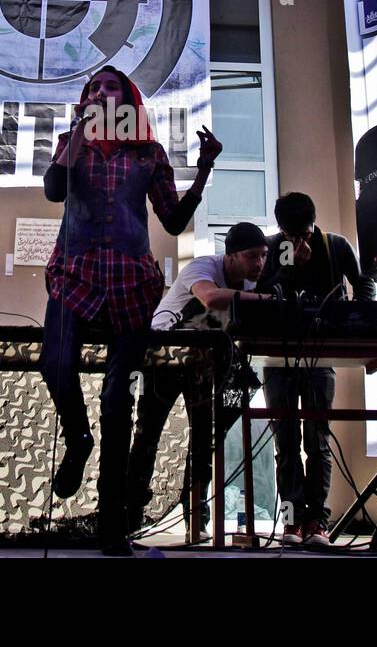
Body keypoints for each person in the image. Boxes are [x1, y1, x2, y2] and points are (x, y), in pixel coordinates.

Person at [41, 65, 222, 555]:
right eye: (94, 87)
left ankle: (112, 525)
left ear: (129, 101)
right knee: (55, 363)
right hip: (74, 272)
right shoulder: (70, 141)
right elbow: (54, 191)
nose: (101, 93)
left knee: (119, 399)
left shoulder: (147, 153)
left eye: (111, 87)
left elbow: (174, 218)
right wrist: (76, 136)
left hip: (130, 281)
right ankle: (78, 440)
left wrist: (203, 169)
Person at [127, 221, 271, 542]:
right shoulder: (203, 267)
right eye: (251, 256)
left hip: (203, 360)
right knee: (148, 432)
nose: (259, 263)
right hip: (166, 352)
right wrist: (264, 299)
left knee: (204, 438)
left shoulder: (248, 284)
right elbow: (211, 299)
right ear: (230, 255)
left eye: (263, 256)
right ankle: (130, 514)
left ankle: (196, 517)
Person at [256, 191, 375, 546]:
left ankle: (317, 523)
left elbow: (364, 282)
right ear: (280, 230)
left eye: (304, 235)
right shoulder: (271, 248)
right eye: (291, 237)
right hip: (278, 356)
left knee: (318, 438)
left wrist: (356, 319)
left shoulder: (336, 245)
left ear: (313, 224)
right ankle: (292, 522)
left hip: (321, 354)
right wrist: (290, 266)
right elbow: (262, 294)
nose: (299, 242)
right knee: (286, 440)